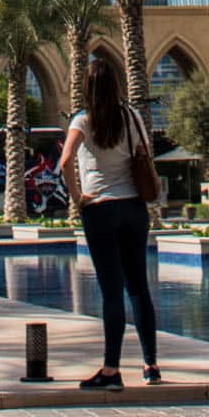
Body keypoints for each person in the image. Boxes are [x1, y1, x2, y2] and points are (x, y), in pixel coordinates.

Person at [56, 54, 161, 388]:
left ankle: (112, 370)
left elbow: (66, 159)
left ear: (87, 89)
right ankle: (151, 365)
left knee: (112, 291)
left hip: (100, 210)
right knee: (139, 288)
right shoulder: (132, 116)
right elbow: (146, 153)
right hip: (133, 209)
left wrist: (77, 197)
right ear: (116, 85)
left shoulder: (83, 120)